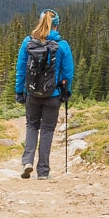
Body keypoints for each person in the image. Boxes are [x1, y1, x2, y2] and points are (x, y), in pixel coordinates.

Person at [15, 9, 74, 180]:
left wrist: (20, 91)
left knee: (32, 125)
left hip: (32, 94)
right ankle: (43, 171)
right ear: (57, 25)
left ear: (40, 22)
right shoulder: (62, 45)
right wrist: (65, 91)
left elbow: (21, 69)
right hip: (53, 94)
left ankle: (27, 162)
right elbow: (68, 73)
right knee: (47, 130)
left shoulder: (28, 42)